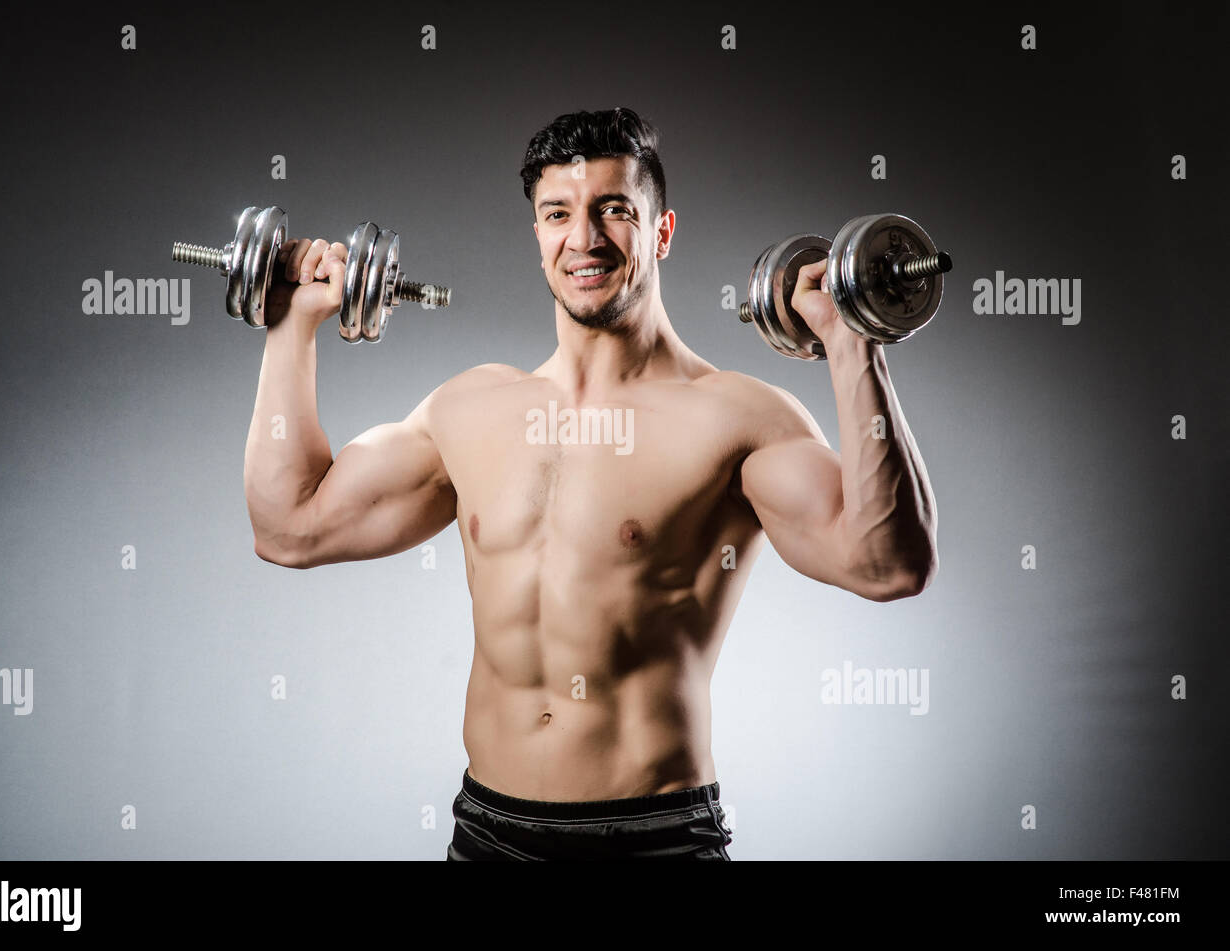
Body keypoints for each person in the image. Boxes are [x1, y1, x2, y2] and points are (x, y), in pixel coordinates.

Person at [243, 107, 938, 860]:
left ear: (661, 230)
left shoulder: (737, 418)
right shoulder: (470, 408)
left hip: (655, 841)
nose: (585, 239)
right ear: (536, 233)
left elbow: (887, 563)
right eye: (558, 214)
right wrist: (290, 328)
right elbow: (290, 528)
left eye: (614, 209)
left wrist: (850, 340)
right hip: (488, 836)